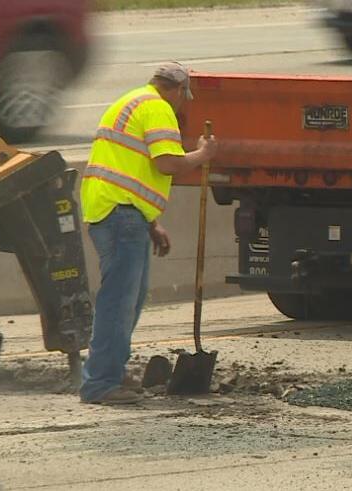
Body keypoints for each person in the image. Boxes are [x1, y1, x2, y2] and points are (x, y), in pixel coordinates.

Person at [79, 62, 217, 404]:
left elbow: (128, 166)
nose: (184, 103)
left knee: (129, 299)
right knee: (119, 302)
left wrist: (151, 224)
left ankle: (110, 371)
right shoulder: (157, 107)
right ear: (178, 90)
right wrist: (203, 153)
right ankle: (100, 384)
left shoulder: (131, 100)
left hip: (113, 211)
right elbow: (166, 163)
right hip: (121, 215)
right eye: (185, 96)